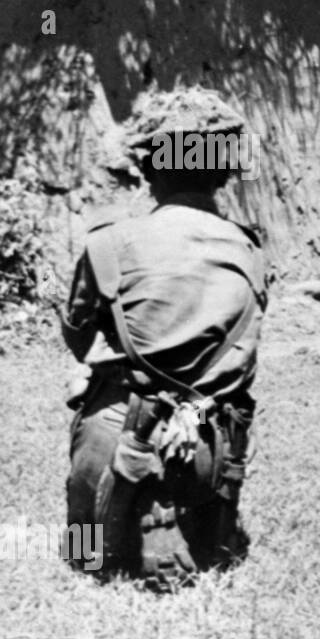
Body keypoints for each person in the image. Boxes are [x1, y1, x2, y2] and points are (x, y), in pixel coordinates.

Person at [61, 89, 267, 588]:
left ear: (150, 170)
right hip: (211, 451)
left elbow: (78, 339)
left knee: (85, 559)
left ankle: (99, 539)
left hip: (120, 442)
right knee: (209, 546)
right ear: (221, 172)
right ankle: (192, 530)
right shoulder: (250, 249)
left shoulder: (108, 242)